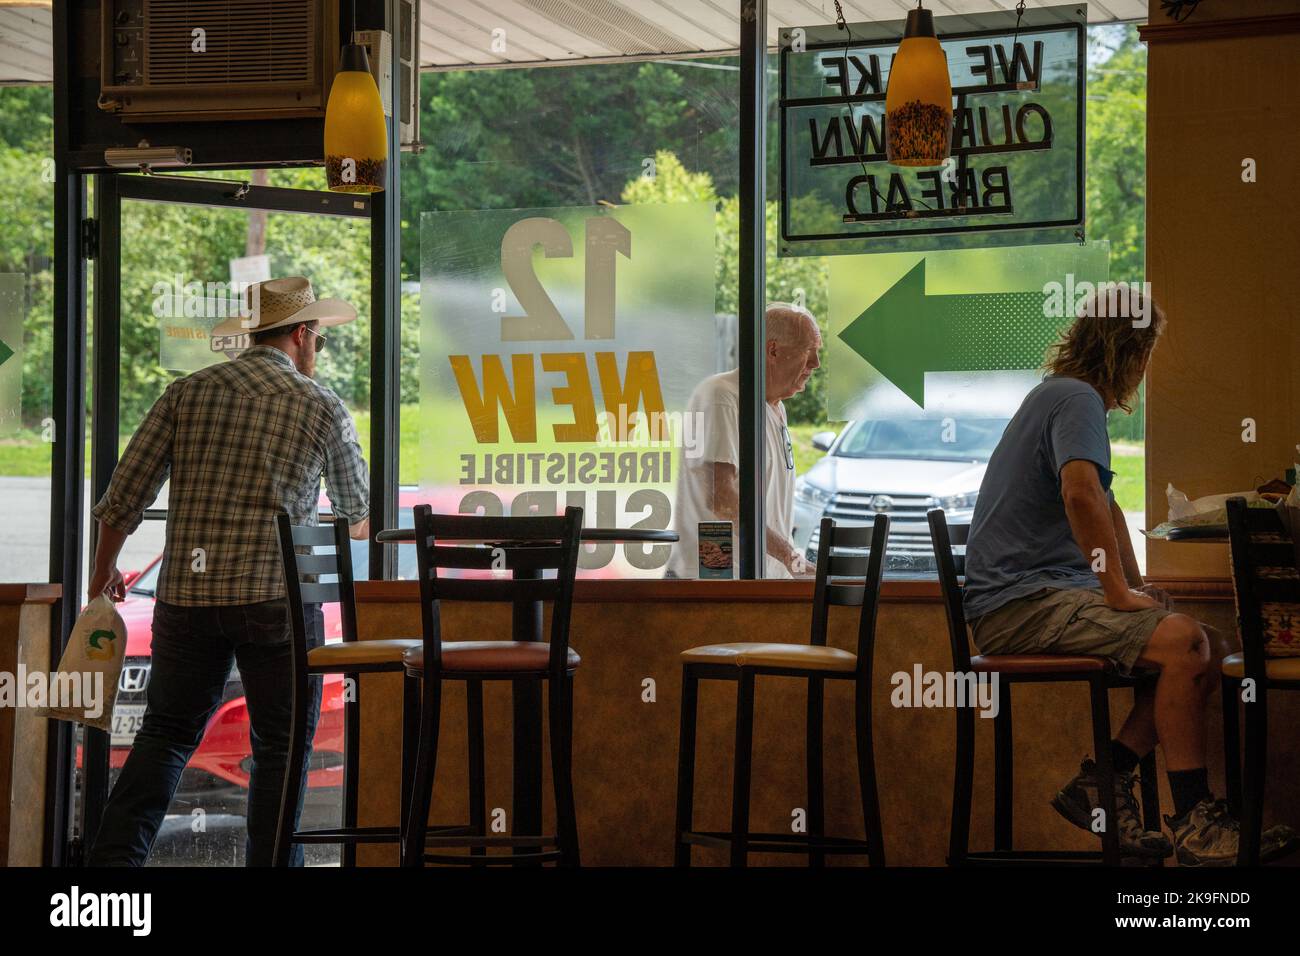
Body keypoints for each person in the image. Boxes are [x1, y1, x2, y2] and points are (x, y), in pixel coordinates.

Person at [962, 285, 1296, 865]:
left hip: (1033, 596)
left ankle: (1103, 782)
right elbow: (1081, 493)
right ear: (1132, 354)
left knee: (1206, 647)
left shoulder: (1060, 395)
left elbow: (1107, 506)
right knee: (1186, 641)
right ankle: (1195, 821)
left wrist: (1134, 588)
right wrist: (1116, 591)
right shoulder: (1076, 400)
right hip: (1019, 604)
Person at [85, 276, 370, 866]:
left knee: (164, 734)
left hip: (187, 598)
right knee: (281, 749)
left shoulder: (187, 392)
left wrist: (102, 571)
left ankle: (110, 873)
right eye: (317, 336)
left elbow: (124, 495)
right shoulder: (319, 405)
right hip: (277, 603)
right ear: (302, 334)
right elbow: (358, 516)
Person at [666, 302, 821, 579]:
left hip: (760, 577)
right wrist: (788, 555)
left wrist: (787, 561)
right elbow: (721, 498)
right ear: (773, 350)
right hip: (718, 579)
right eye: (808, 352)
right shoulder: (722, 396)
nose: (815, 364)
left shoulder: (774, 407)